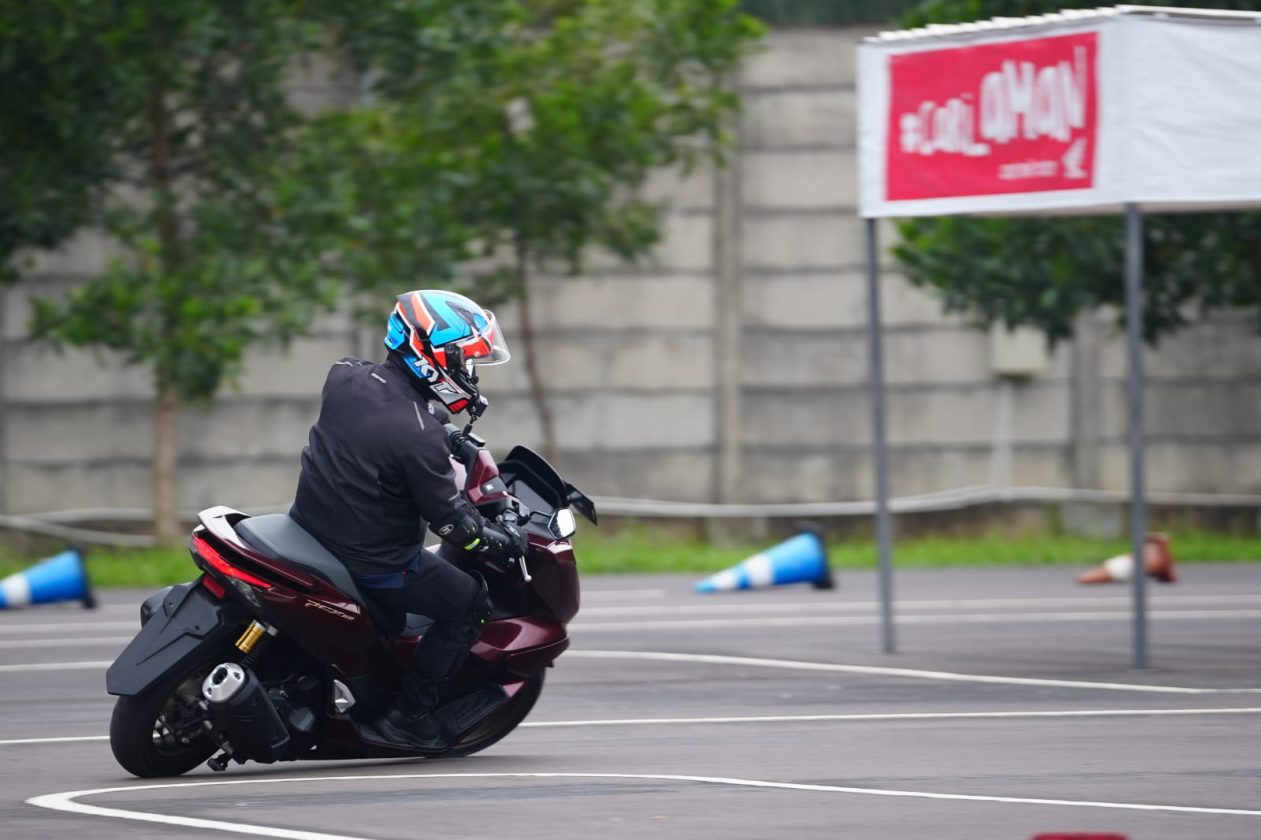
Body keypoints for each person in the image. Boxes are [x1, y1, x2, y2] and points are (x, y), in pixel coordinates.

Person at [289, 289, 528, 750]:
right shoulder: (417, 438)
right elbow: (455, 526)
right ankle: (409, 717)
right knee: (469, 603)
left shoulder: (344, 376)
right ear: (431, 355)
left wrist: (450, 438)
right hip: (375, 562)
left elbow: (381, 426)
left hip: (312, 526)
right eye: (465, 360)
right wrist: (505, 540)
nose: (469, 372)